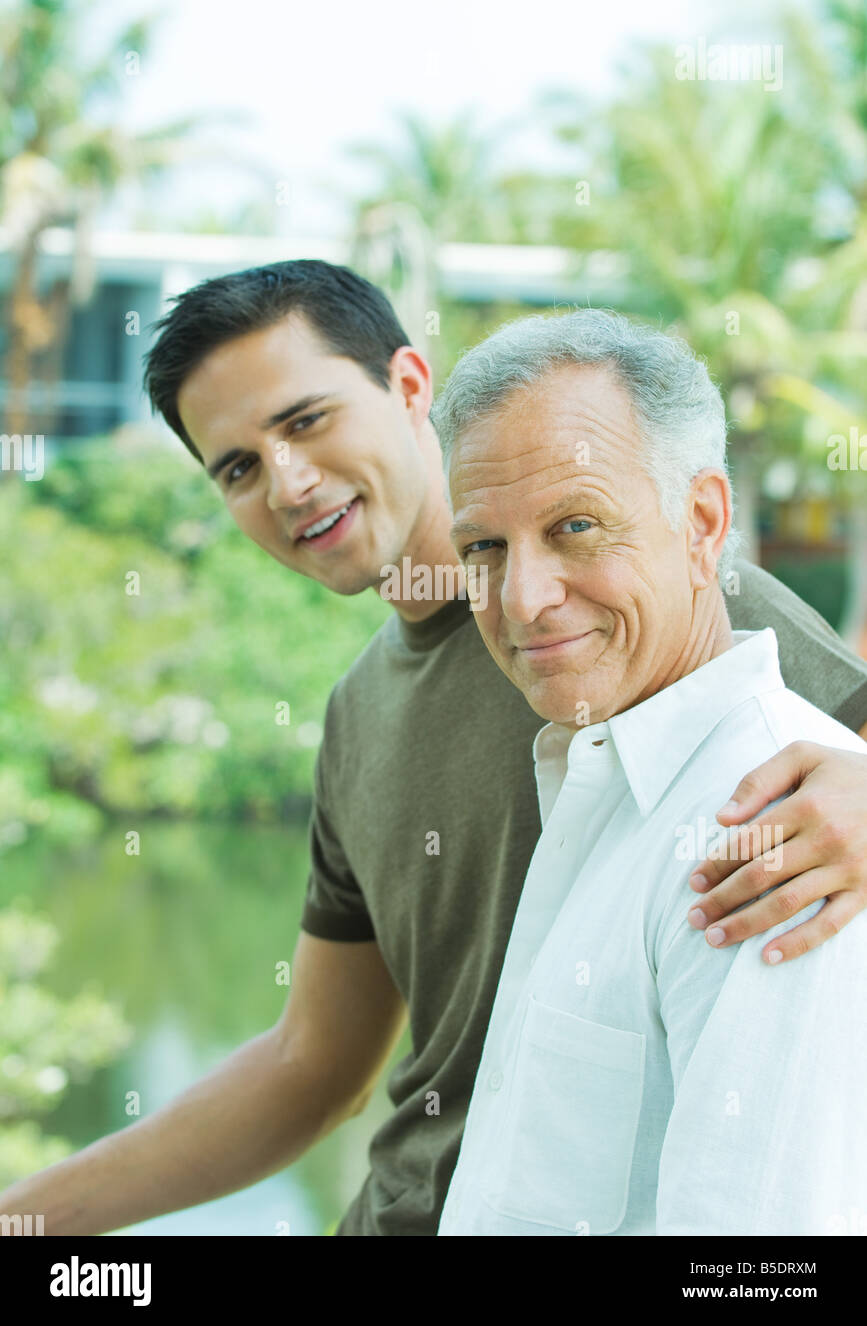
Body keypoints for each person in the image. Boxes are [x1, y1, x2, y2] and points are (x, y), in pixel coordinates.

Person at [1, 263, 866, 1238]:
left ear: (409, 387)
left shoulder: (635, 601)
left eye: (305, 419)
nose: (286, 482)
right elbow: (311, 1065)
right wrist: (27, 1218)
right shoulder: (359, 713)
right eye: (237, 466)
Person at [434, 308, 867, 1235]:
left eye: (577, 526)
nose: (523, 598)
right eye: (484, 546)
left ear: (702, 524)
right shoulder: (601, 784)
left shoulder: (781, 832)